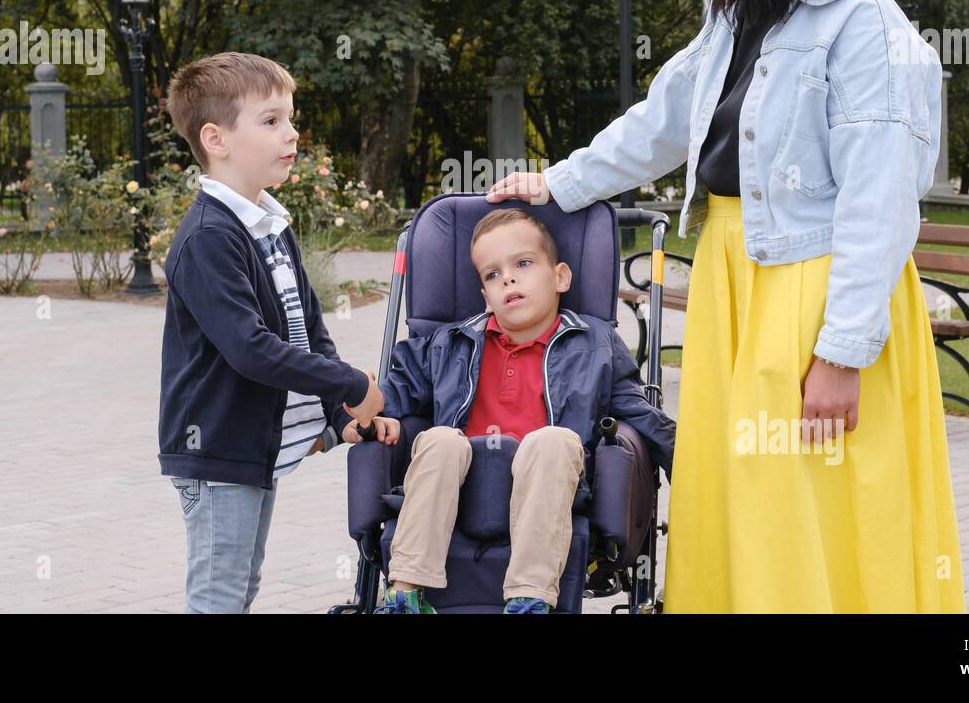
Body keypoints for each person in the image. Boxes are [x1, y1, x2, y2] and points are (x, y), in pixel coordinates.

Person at [488, 0, 965, 613]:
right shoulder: (742, 11)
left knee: (809, 506)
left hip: (815, 298)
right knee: (744, 499)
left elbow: (880, 205)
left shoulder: (865, 31)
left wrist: (842, 354)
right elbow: (665, 121)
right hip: (736, 282)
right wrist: (558, 183)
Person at [352, 207, 675, 614]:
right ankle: (405, 593)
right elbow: (390, 397)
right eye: (492, 274)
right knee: (437, 439)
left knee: (554, 441)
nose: (508, 278)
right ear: (485, 296)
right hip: (460, 490)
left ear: (560, 277)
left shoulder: (595, 343)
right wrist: (357, 415)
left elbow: (638, 411)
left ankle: (530, 598)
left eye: (523, 263)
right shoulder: (446, 345)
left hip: (550, 490)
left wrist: (689, 464)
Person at [158, 51, 383, 613]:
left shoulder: (270, 226)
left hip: (248, 445)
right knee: (220, 597)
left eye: (291, 118)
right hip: (215, 445)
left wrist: (339, 416)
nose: (292, 133)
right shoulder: (210, 236)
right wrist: (353, 384)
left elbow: (307, 329)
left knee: (240, 588)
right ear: (216, 138)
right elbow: (250, 349)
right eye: (271, 120)